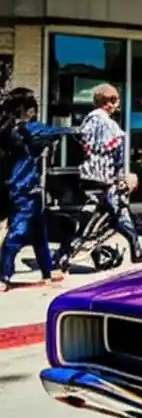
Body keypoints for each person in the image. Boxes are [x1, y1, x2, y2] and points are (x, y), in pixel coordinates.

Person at [1, 89, 77, 290]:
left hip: (24, 187)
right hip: (25, 187)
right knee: (17, 233)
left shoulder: (8, 130)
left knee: (38, 233)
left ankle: (47, 272)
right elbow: (57, 131)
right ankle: (3, 276)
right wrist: (77, 129)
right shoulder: (29, 129)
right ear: (30, 111)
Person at [65, 84, 142, 264]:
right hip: (105, 178)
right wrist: (123, 176)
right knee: (120, 212)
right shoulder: (110, 125)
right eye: (115, 102)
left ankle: (94, 252)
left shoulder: (87, 122)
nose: (116, 106)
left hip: (87, 176)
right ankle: (136, 249)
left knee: (99, 215)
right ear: (109, 102)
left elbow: (79, 138)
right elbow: (118, 153)